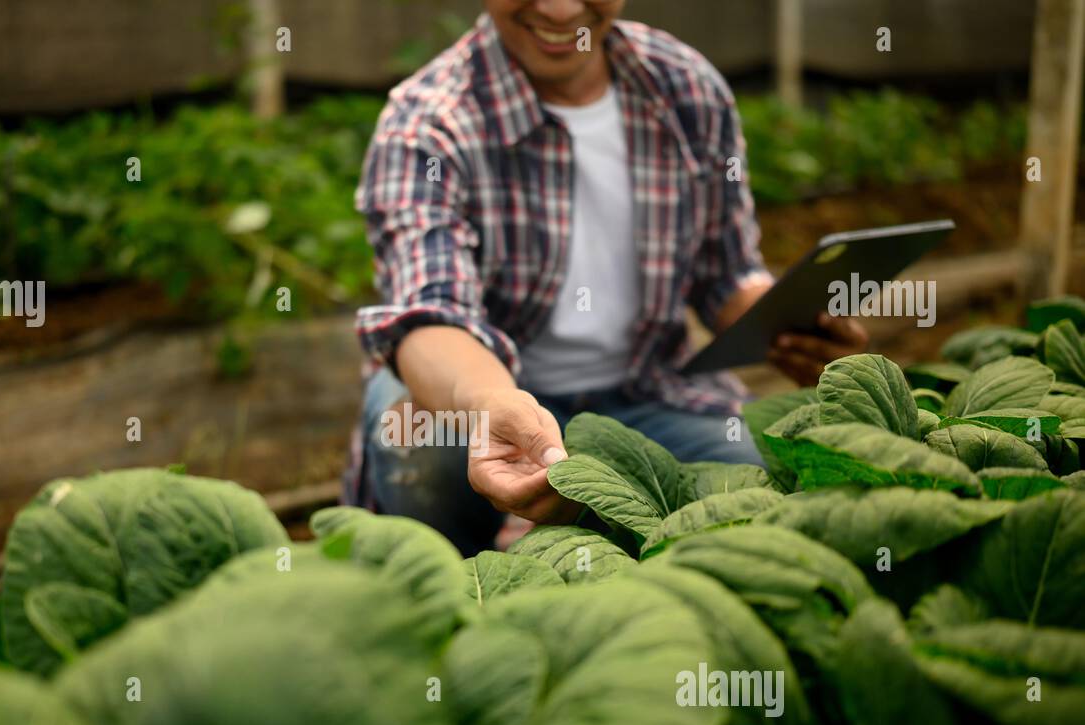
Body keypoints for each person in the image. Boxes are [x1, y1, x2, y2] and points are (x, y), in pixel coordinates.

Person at [346, 0, 867, 556]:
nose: (560, 7)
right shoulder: (428, 122)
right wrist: (494, 405)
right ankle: (449, 583)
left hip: (649, 394)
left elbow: (726, 271)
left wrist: (790, 320)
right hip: (492, 394)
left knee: (756, 495)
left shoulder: (684, 87)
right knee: (414, 434)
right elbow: (429, 317)